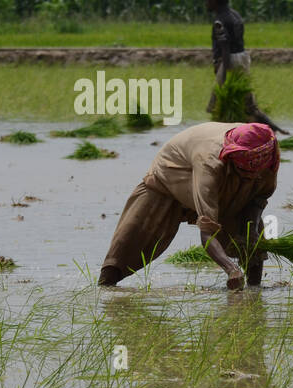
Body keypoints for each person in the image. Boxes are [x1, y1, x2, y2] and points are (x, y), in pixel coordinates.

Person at [97, 122, 278, 289]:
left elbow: (258, 198)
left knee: (250, 236)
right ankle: (105, 291)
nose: (249, 177)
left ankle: (255, 291)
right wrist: (231, 270)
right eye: (243, 172)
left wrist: (252, 229)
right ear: (234, 161)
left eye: (252, 174)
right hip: (170, 177)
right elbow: (208, 232)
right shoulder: (210, 163)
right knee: (131, 239)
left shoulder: (267, 152)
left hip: (225, 183)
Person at [198, 0, 289, 135]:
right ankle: (275, 130)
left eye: (206, 0)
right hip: (242, 59)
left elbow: (225, 48)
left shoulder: (219, 21)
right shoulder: (235, 15)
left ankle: (222, 137)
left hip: (229, 63)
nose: (206, 4)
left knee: (218, 104)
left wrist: (224, 76)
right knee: (249, 105)